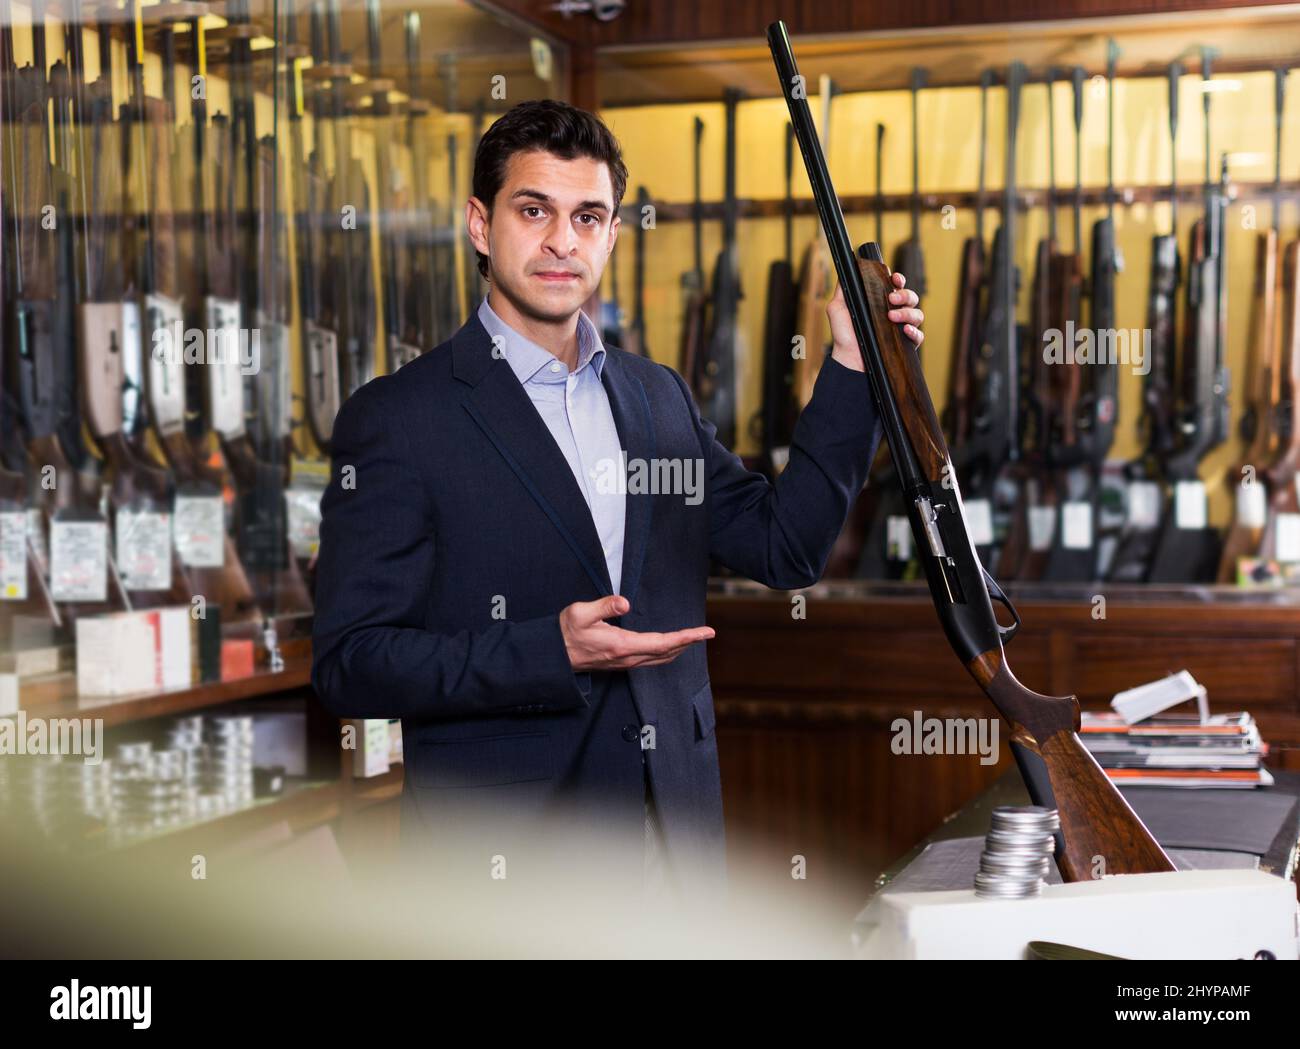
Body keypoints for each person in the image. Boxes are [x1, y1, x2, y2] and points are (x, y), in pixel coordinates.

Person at [311, 98, 924, 906]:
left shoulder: (656, 397)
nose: (564, 240)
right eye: (534, 211)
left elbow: (785, 546)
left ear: (611, 233)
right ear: (479, 224)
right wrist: (547, 651)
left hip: (674, 848)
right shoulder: (399, 418)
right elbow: (351, 664)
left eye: (589, 216)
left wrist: (851, 363)